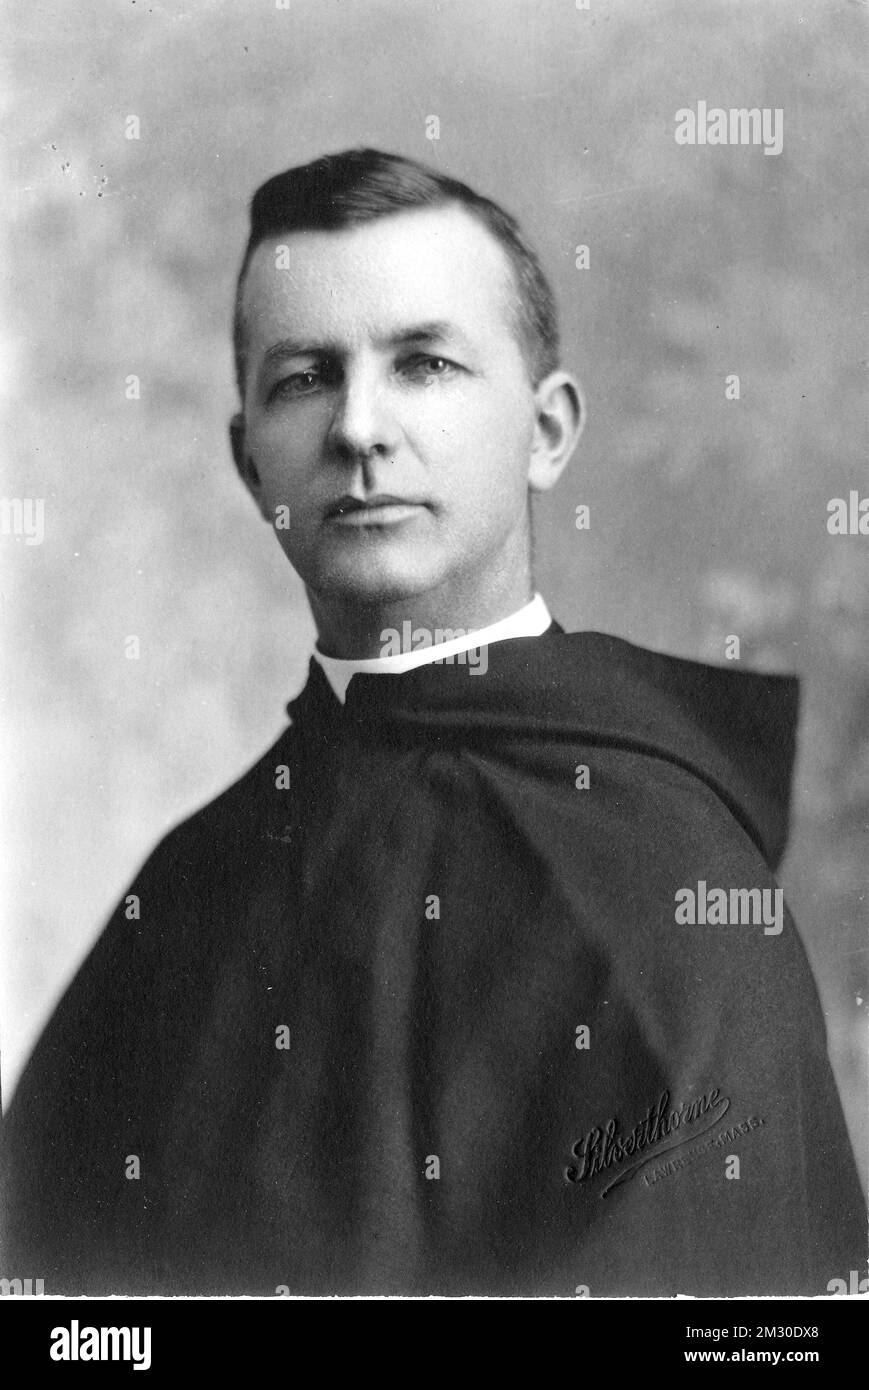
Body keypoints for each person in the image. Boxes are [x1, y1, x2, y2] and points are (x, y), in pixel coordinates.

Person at [1, 149, 864, 1297]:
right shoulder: (188, 885)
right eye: (304, 378)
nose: (358, 429)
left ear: (547, 432)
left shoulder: (669, 892)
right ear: (246, 453)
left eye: (423, 363)